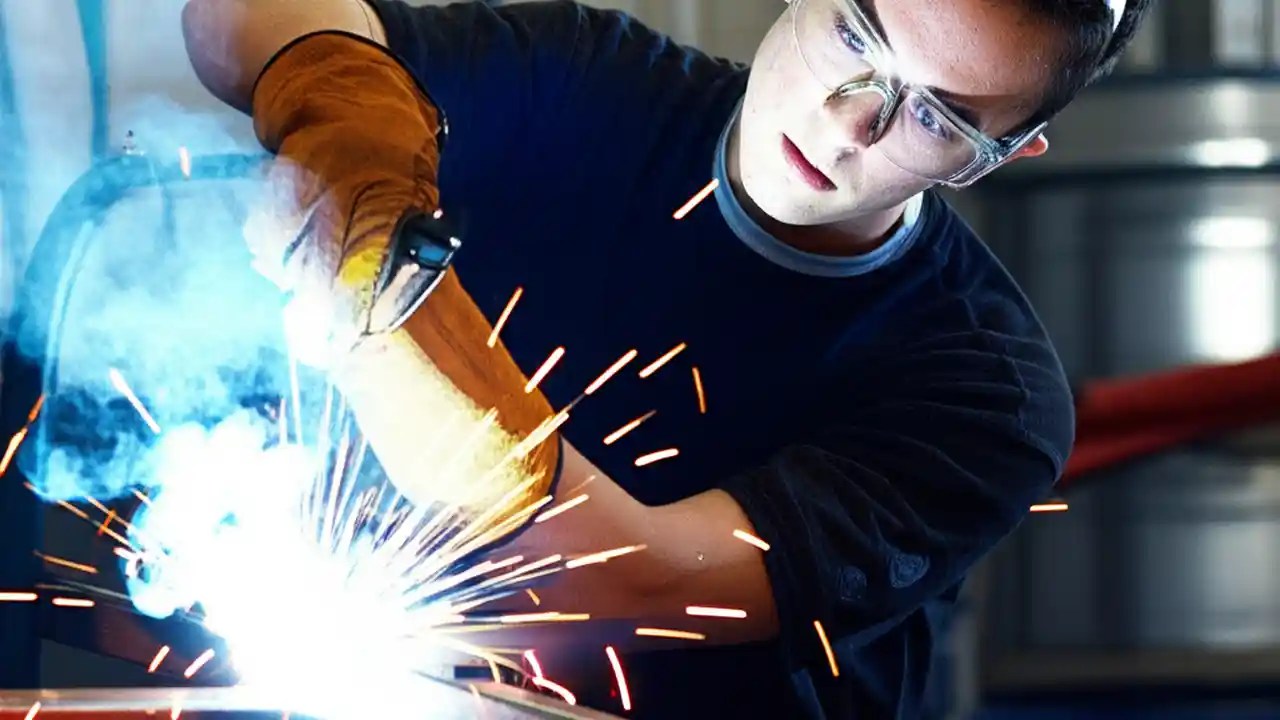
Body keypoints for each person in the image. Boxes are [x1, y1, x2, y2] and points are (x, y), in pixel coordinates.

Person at [180, 0, 1153, 716]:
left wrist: (373, 309)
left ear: (1003, 153)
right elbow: (240, 19)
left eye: (934, 117)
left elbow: (601, 584)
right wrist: (345, 118)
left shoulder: (986, 393)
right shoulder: (588, 79)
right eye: (855, 36)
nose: (847, 119)